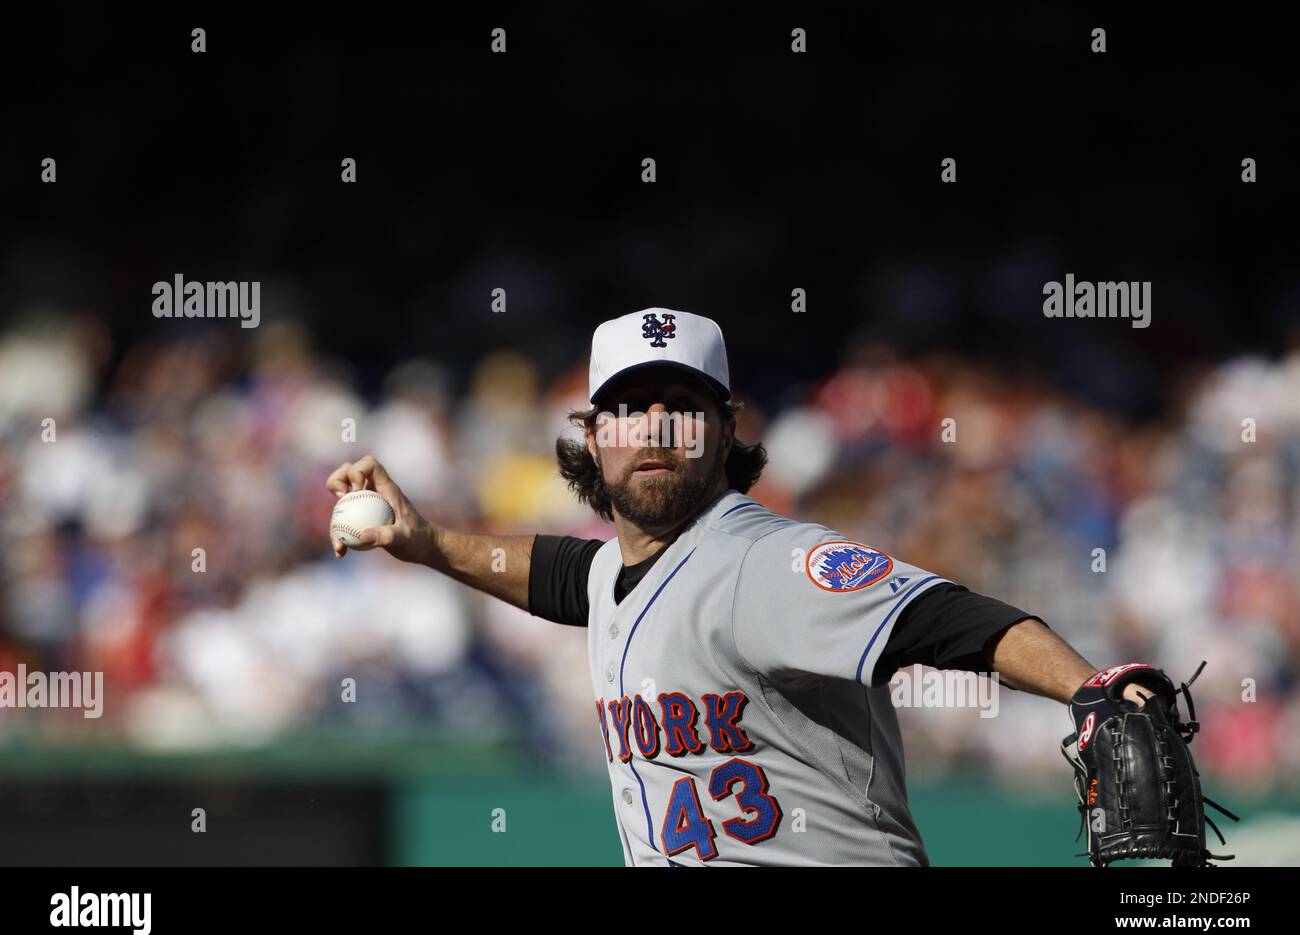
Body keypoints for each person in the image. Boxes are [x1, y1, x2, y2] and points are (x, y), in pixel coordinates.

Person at [325, 307, 1159, 866]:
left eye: (681, 407)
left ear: (725, 430)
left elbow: (952, 620)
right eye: (627, 408)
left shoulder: (766, 562)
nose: (654, 428)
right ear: (591, 436)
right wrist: (430, 543)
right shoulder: (616, 573)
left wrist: (1090, 689)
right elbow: (560, 576)